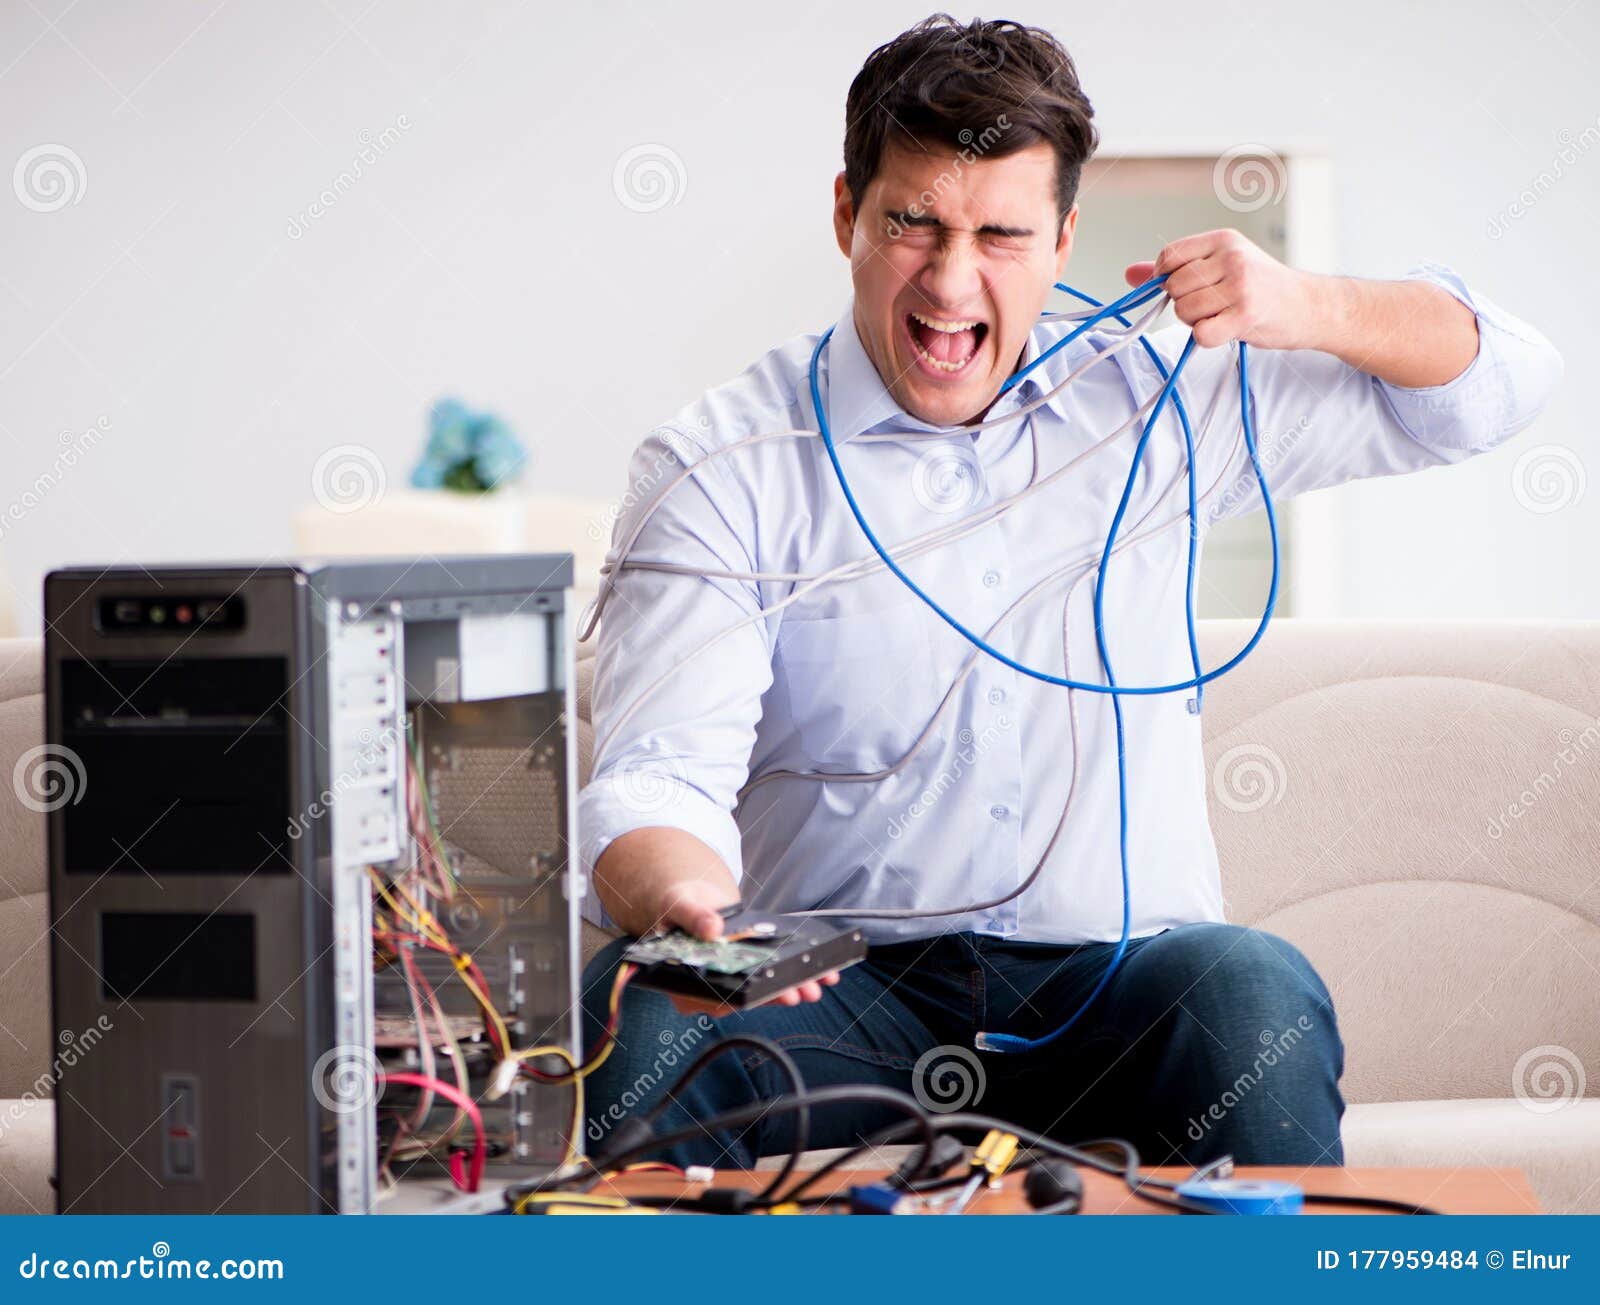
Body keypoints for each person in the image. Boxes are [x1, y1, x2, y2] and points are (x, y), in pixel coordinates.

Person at [577, 14, 1563, 1169]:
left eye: (1000, 234)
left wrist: (1307, 306)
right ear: (847, 212)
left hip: (1118, 989)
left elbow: (1503, 383)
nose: (951, 282)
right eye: (913, 225)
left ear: (1062, 240)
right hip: (841, 999)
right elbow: (657, 777)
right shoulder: (720, 464)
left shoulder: (1158, 401)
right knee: (646, 1015)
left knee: (1247, 987)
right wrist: (690, 902)